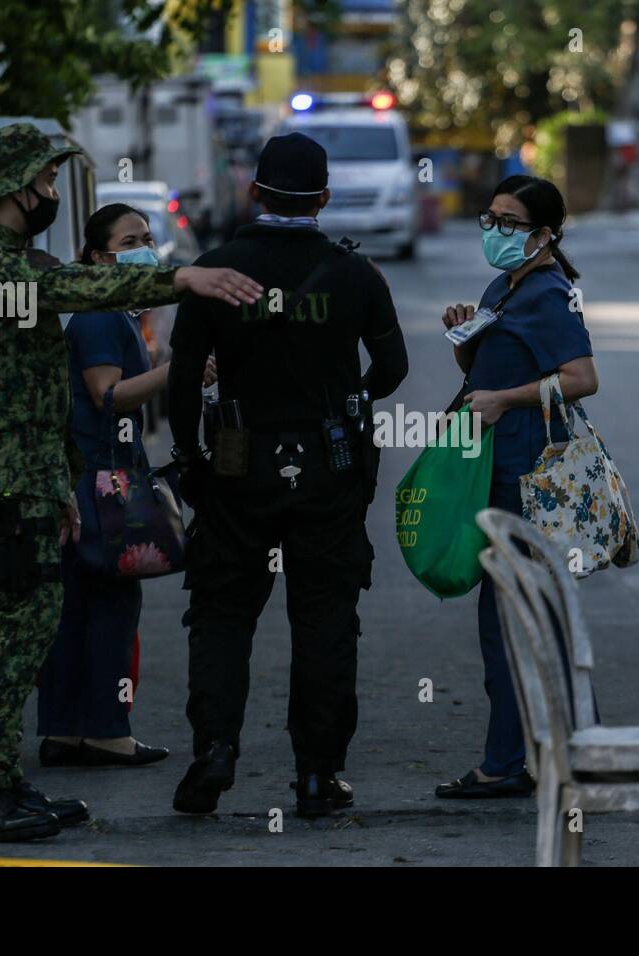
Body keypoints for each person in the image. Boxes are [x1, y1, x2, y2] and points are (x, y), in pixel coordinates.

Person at [0, 122, 262, 842]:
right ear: (15, 186)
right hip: (7, 475)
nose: (53, 193)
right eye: (48, 181)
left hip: (26, 473)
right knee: (8, 638)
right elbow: (86, 287)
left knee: (18, 627)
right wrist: (180, 277)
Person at [166, 132, 409, 818]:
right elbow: (393, 371)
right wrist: (347, 396)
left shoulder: (216, 270)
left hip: (239, 464)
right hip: (329, 467)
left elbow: (184, 380)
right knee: (326, 617)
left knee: (220, 613)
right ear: (324, 199)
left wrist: (191, 460)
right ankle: (317, 774)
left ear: (254, 192)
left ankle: (214, 751)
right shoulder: (355, 274)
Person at [435, 175, 599, 799]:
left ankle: (512, 762)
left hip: (526, 474)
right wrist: (463, 335)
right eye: (491, 218)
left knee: (512, 614)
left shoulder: (552, 294)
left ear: (543, 234)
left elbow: (582, 377)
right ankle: (565, 750)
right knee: (523, 612)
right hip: (493, 467)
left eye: (509, 223)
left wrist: (506, 398)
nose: (495, 231)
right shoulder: (505, 285)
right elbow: (483, 371)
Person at [36, 203, 214, 769]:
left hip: (87, 474)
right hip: (101, 480)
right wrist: (179, 368)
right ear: (96, 255)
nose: (143, 249)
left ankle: (66, 731)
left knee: (75, 608)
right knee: (113, 602)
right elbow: (107, 395)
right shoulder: (99, 315)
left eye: (146, 239)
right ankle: (107, 731)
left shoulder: (111, 312)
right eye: (129, 240)